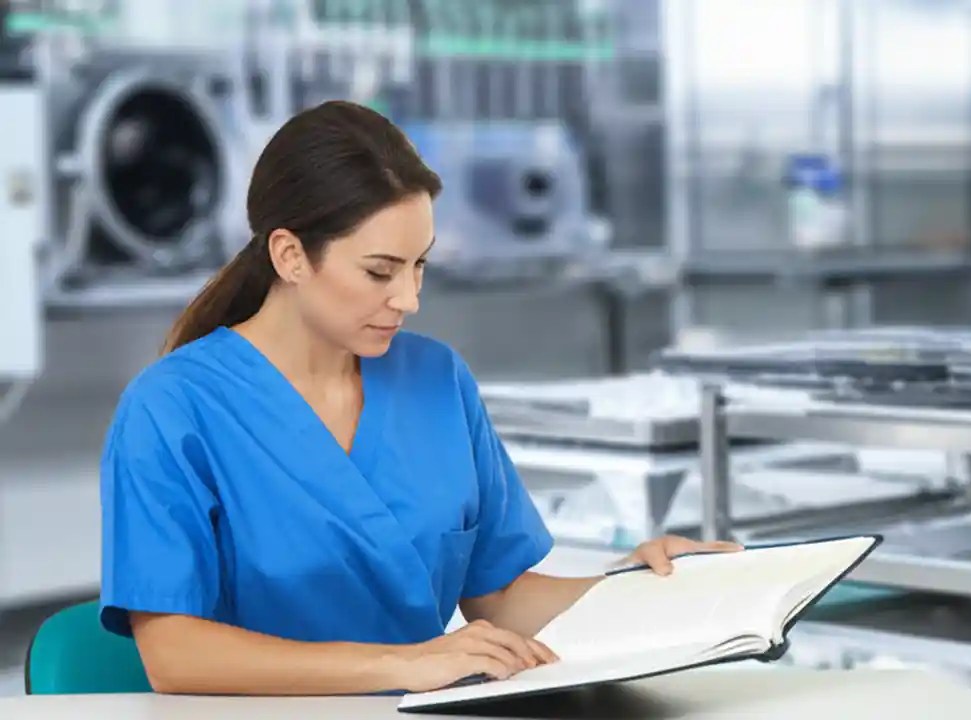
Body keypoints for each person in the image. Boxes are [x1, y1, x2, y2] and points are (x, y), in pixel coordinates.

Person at [98, 100, 740, 696]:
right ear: (290, 256)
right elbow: (174, 655)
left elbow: (501, 596)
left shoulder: (436, 378)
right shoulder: (172, 409)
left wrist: (642, 585)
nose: (408, 298)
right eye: (380, 271)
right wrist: (404, 662)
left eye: (420, 265)